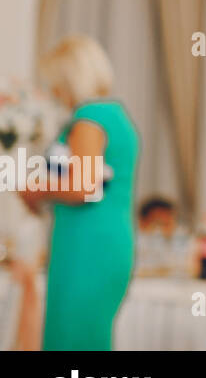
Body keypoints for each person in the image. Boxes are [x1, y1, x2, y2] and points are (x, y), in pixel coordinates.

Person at [18, 35, 138, 351]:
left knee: (72, 337)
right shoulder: (115, 115)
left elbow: (83, 187)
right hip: (96, 239)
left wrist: (34, 188)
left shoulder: (90, 118)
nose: (55, 92)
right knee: (82, 334)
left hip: (88, 244)